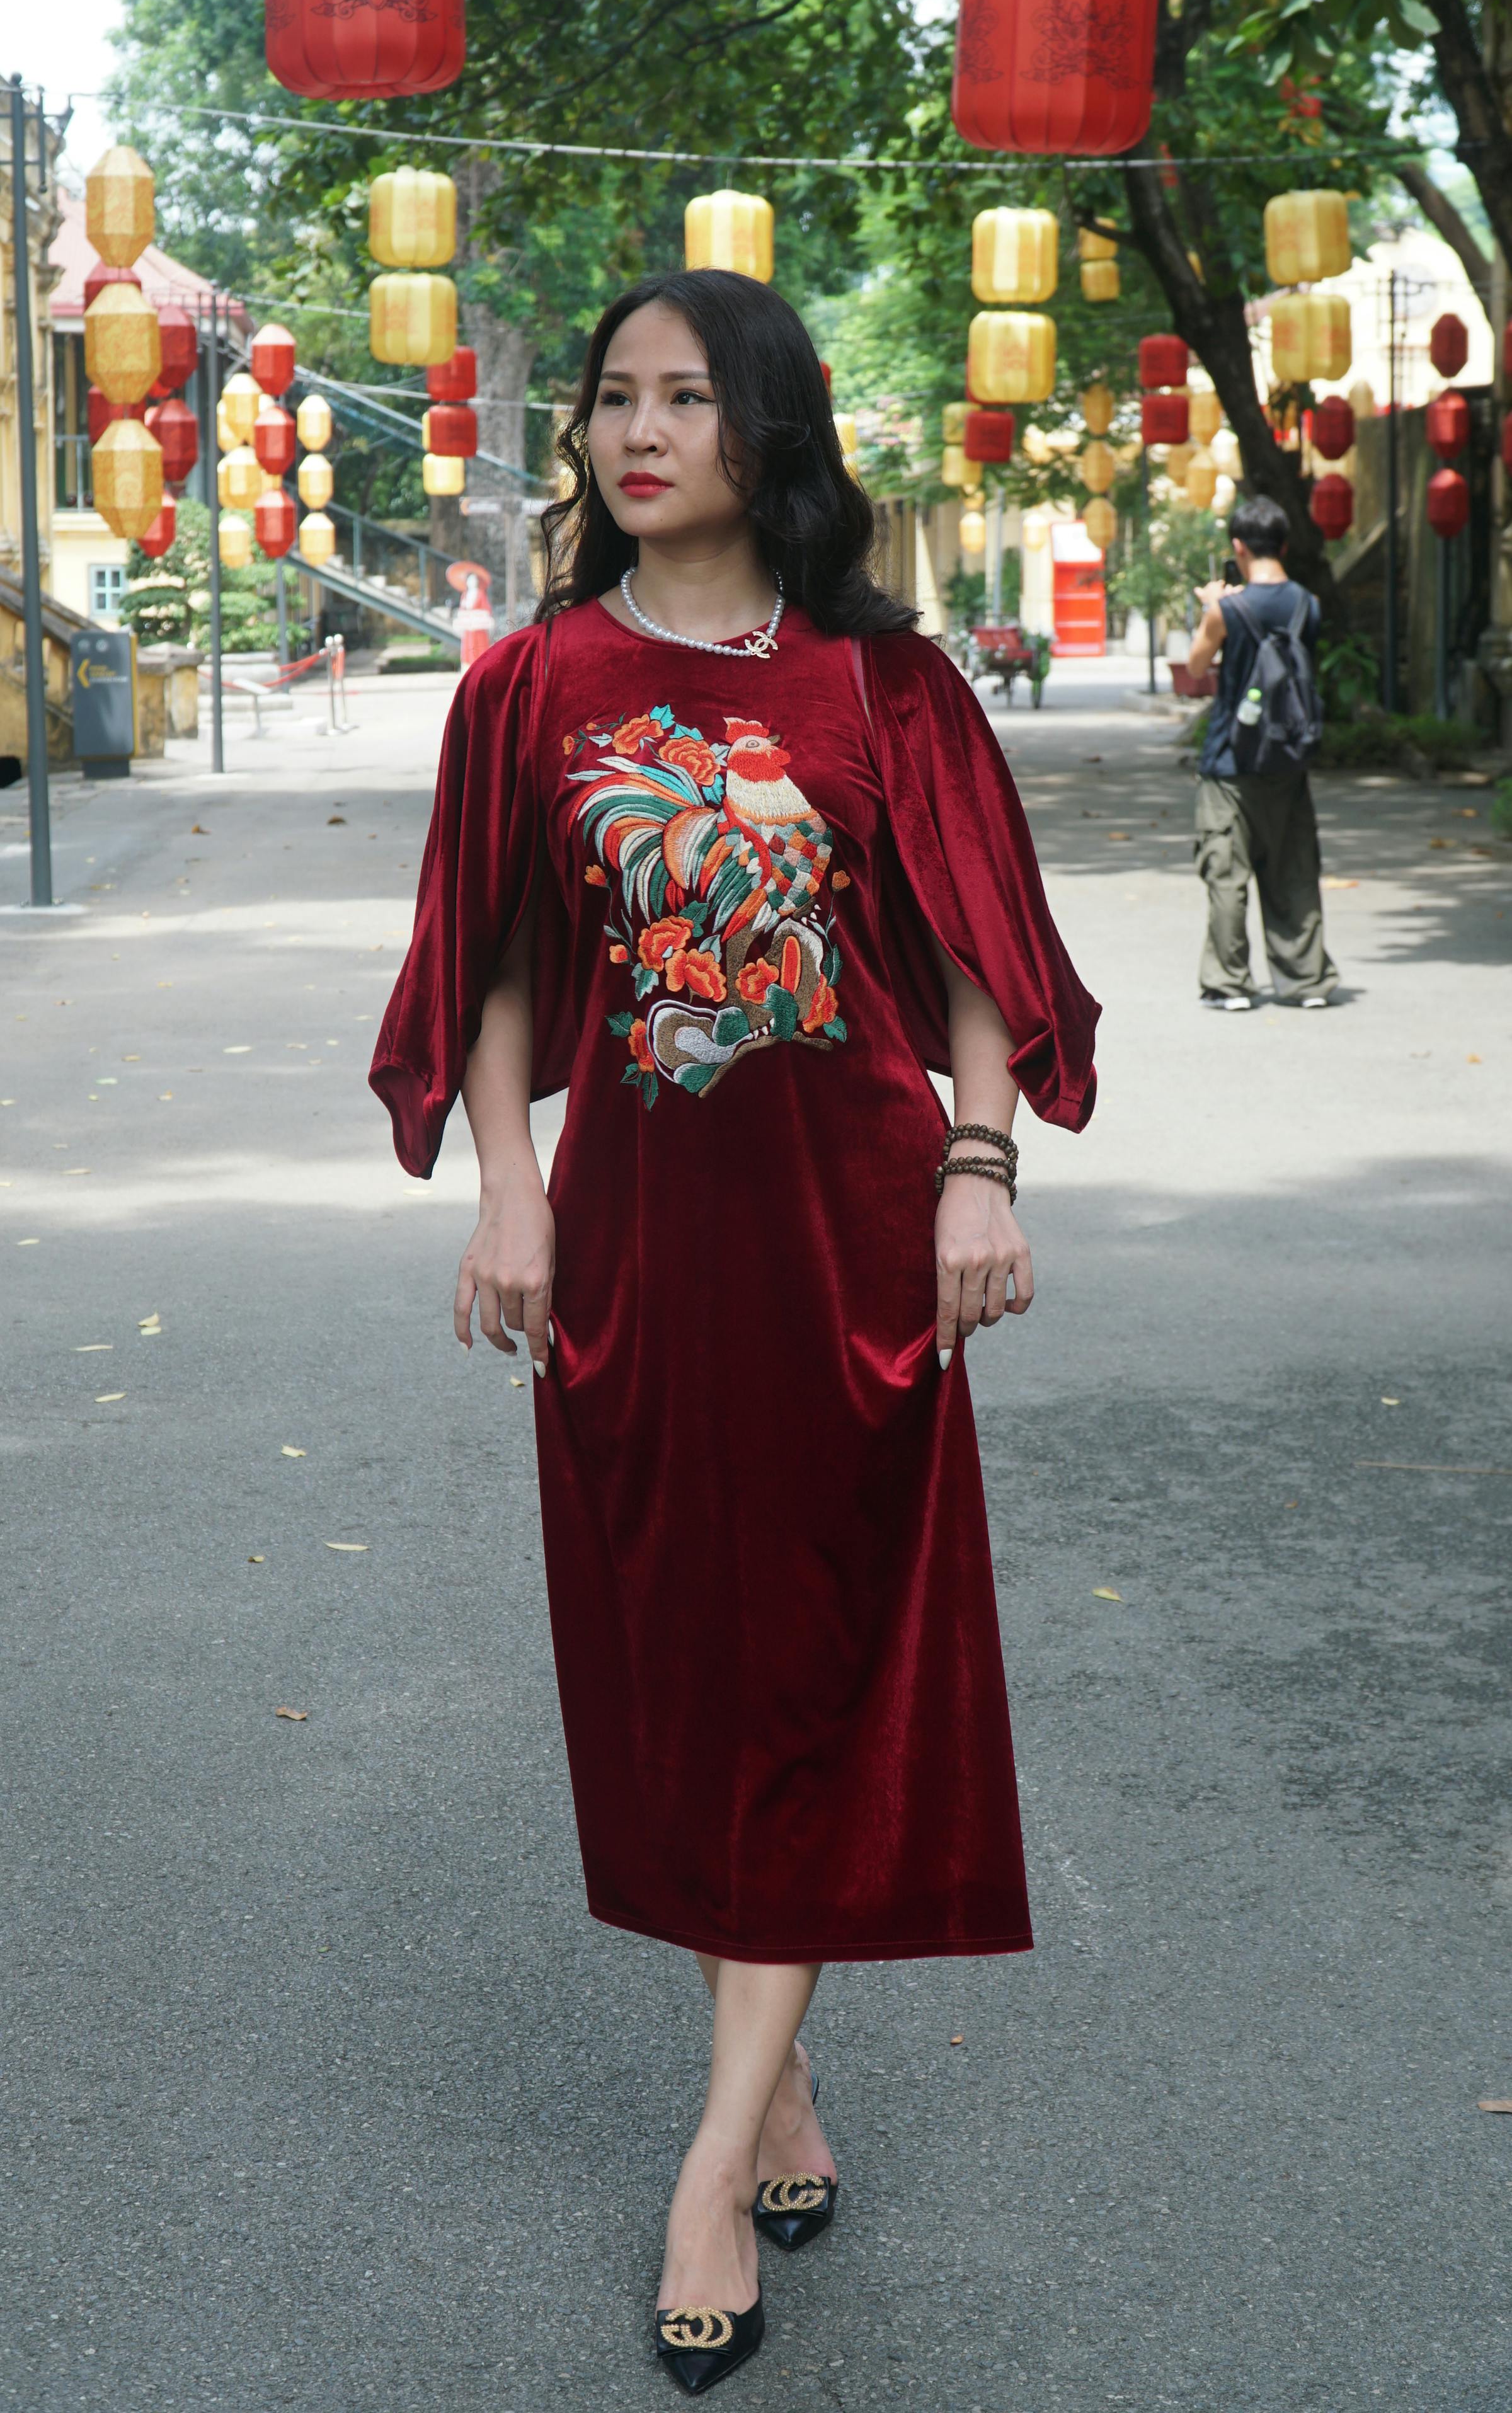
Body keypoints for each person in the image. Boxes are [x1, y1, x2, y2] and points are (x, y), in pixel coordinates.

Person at [369, 270, 1099, 2393]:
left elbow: (976, 951)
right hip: (648, 1255)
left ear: (773, 431)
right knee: (686, 1667)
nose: (637, 431)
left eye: (688, 396)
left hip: (862, 1243)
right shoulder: (534, 684)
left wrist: (983, 1165)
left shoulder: (887, 687)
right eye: (612, 399)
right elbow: (496, 962)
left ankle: (710, 2162)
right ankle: (776, 2088)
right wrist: (512, 1184)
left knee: (824, 1667)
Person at [1188, 493, 1338, 1012]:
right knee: (1294, 868)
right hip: (1289, 756)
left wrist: (1213, 606)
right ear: (1286, 544)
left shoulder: (1230, 609)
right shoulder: (1308, 605)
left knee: (1226, 872)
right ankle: (1306, 981)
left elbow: (1196, 665)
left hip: (1232, 759)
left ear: (1239, 547)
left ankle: (1230, 983)